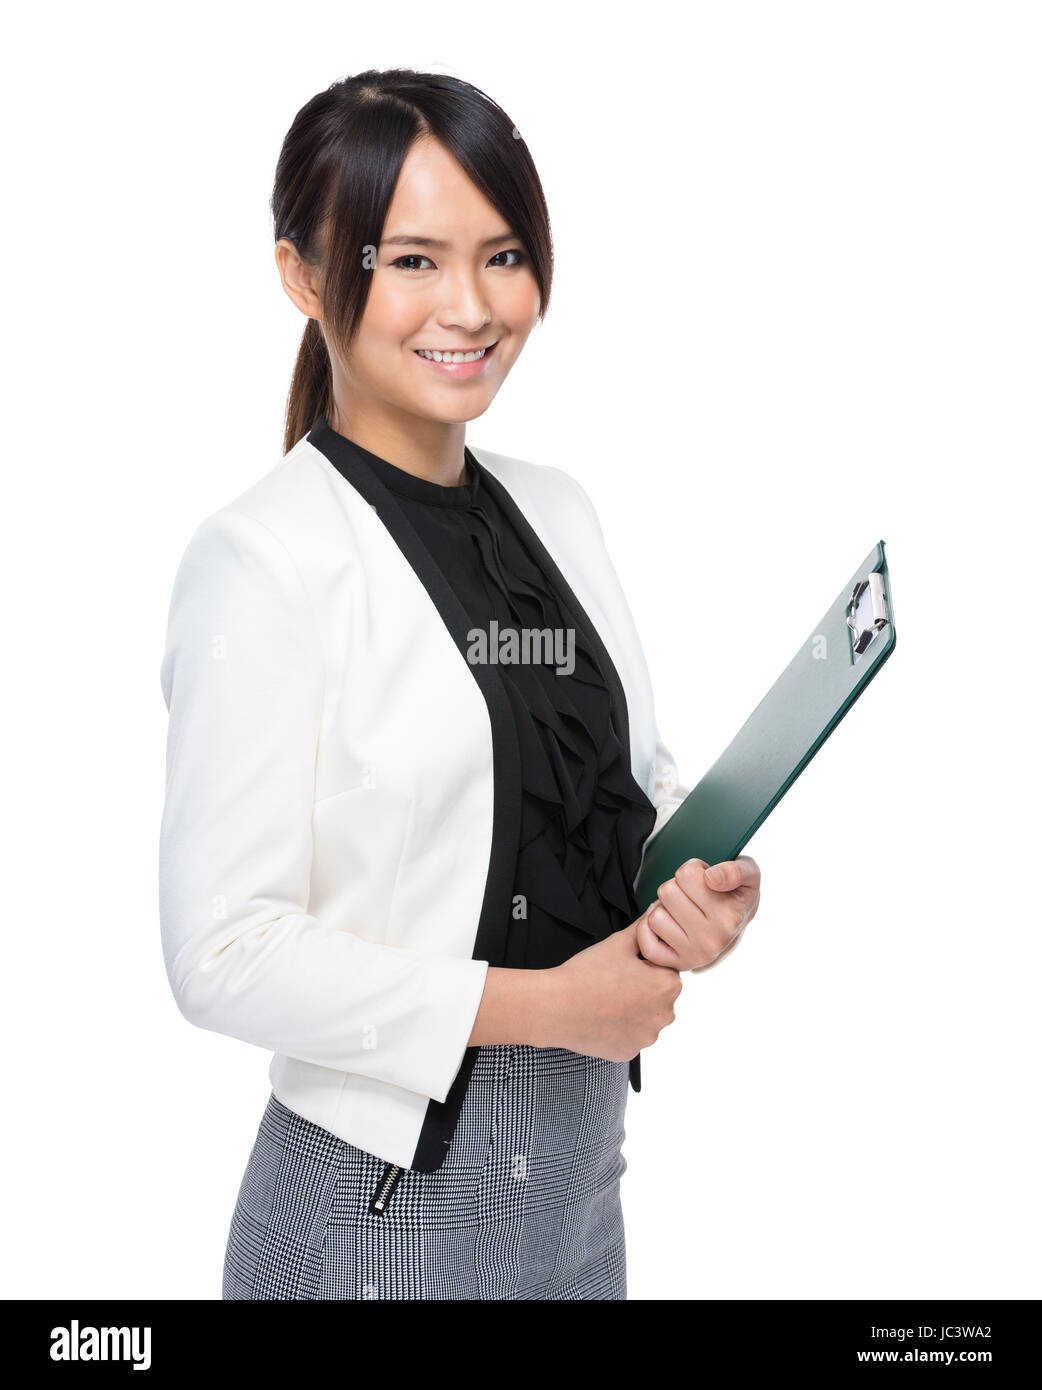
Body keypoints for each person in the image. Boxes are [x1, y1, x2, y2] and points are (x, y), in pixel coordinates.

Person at [157, 67, 761, 1302]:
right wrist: (548, 1005)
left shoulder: (557, 506)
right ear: (304, 275)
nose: (472, 306)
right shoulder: (262, 561)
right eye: (413, 260)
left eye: (503, 255)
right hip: (381, 1209)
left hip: (581, 1190)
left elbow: (621, 777)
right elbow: (221, 950)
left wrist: (697, 883)